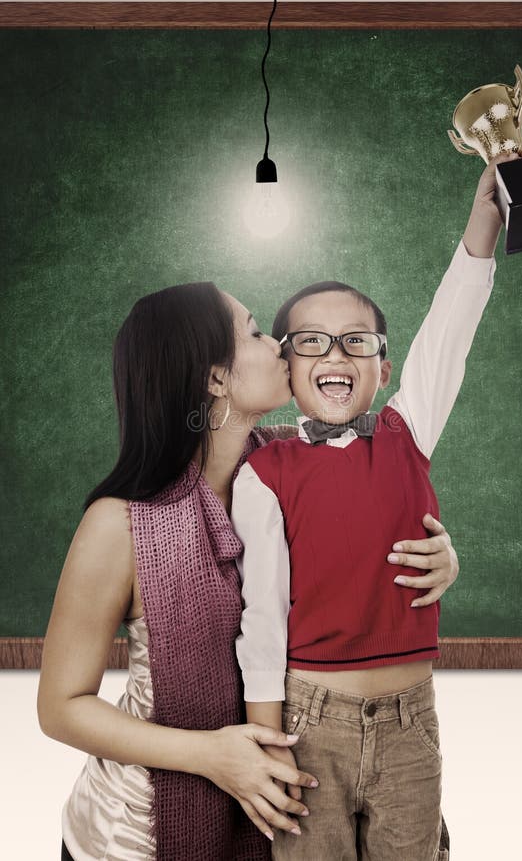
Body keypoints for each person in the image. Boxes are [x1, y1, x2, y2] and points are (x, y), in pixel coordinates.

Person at [37, 275, 460, 861]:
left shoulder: (292, 461)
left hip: (272, 815)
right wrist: (212, 754)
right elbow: (61, 709)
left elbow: (376, 508)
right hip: (136, 836)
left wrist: (440, 554)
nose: (280, 347)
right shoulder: (119, 525)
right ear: (216, 378)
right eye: (258, 332)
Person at [231, 152, 522, 861]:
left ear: (385, 369)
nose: (336, 355)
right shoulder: (262, 466)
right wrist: (267, 743)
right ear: (286, 367)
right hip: (307, 718)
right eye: (311, 343)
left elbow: (451, 326)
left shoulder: (405, 431)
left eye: (357, 343)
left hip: (411, 721)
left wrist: (486, 214)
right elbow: (263, 621)